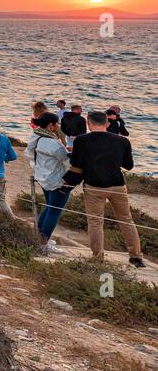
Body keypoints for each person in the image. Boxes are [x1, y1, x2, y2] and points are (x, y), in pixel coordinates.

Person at [71, 110, 145, 267]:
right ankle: (136, 257)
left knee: (95, 222)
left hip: (94, 186)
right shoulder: (122, 141)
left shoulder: (81, 140)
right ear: (108, 124)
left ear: (88, 123)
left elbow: (76, 165)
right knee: (126, 220)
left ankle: (98, 257)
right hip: (118, 185)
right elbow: (129, 166)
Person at [29, 112, 75, 251]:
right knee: (54, 212)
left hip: (43, 177)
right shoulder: (53, 142)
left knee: (49, 207)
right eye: (57, 124)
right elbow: (67, 160)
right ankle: (43, 243)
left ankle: (38, 237)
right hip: (56, 180)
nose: (58, 126)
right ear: (51, 125)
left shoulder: (37, 137)